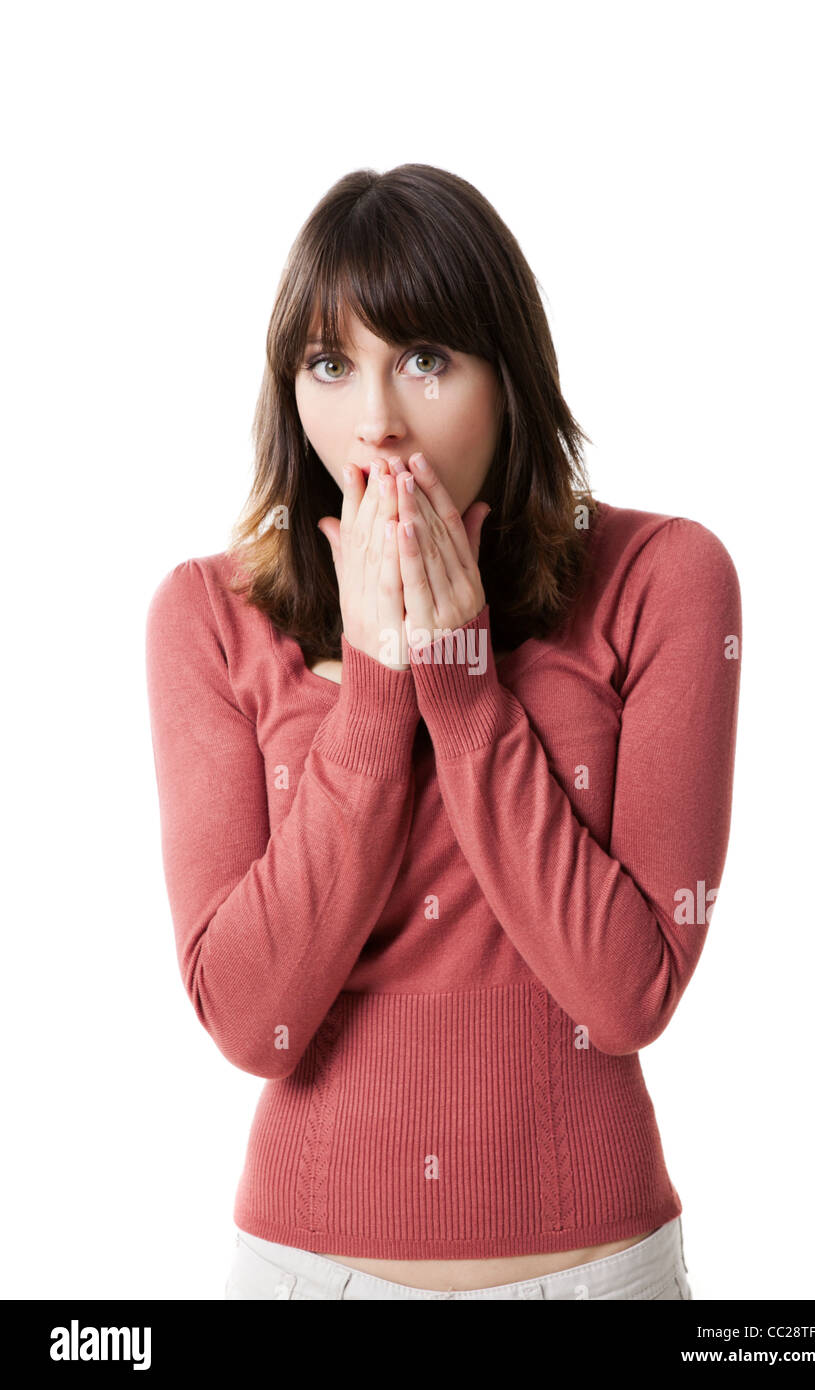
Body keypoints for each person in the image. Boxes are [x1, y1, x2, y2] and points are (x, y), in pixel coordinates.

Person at [145, 163, 741, 1300]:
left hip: (596, 1271)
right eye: (331, 364)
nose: (374, 421)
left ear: (507, 376)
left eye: (424, 359)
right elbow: (247, 1018)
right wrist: (376, 687)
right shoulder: (207, 616)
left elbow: (627, 998)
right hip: (303, 1273)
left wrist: (463, 691)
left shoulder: (664, 578)